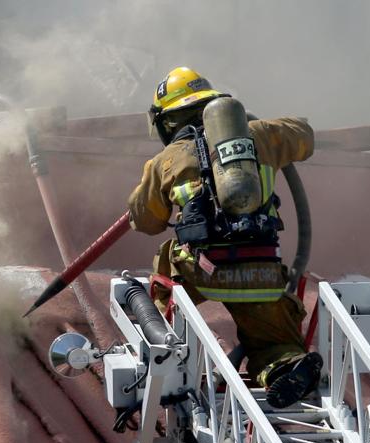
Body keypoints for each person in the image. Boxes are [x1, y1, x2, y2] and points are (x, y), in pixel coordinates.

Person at [128, 67, 322, 408]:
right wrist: (261, 127)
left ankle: (164, 337)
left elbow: (145, 220)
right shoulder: (261, 135)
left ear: (166, 122)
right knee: (273, 341)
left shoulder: (165, 161)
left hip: (203, 272)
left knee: (166, 256)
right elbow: (304, 135)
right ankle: (286, 366)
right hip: (262, 271)